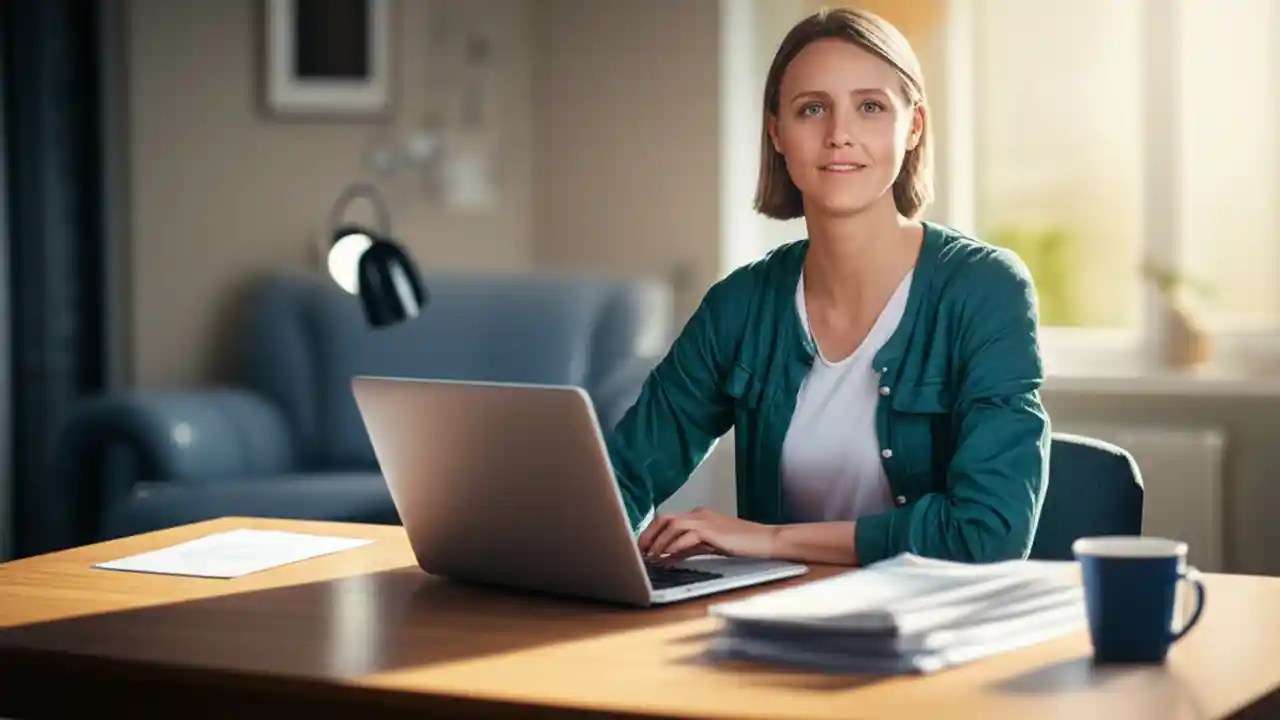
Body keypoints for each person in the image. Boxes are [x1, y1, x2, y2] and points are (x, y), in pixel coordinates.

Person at [605, 7, 1050, 567]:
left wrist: (769, 539)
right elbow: (621, 479)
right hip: (772, 627)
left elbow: (988, 533)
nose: (839, 135)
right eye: (812, 109)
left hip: (932, 631)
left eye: (870, 107)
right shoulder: (740, 306)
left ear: (912, 126)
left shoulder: (985, 289)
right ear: (776, 131)